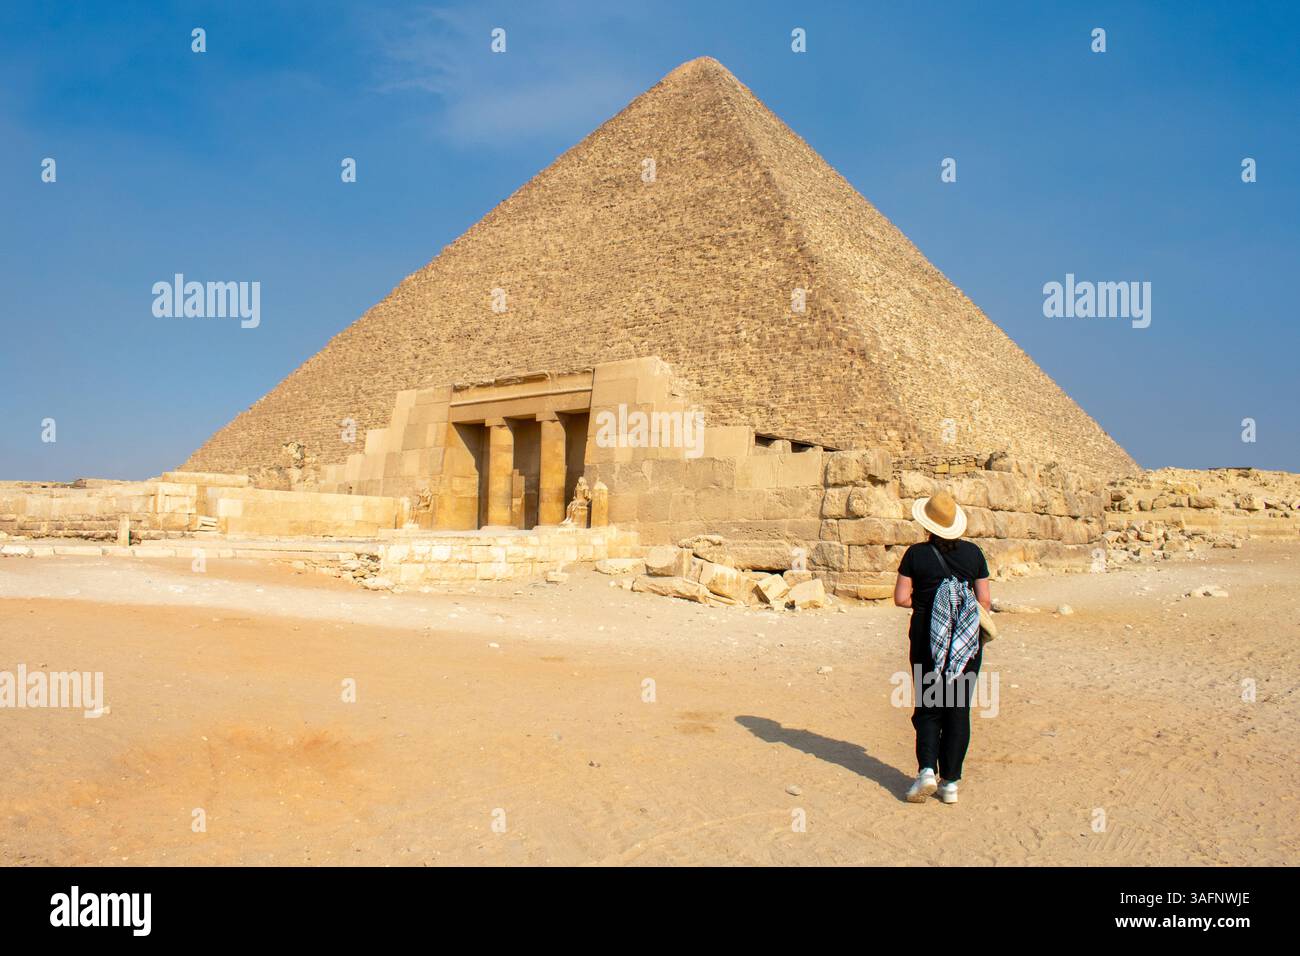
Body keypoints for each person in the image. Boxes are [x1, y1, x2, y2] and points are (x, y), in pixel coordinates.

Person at [893, 489, 991, 805]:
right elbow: (985, 601)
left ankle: (925, 771)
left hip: (926, 637)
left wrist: (931, 607)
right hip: (965, 640)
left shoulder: (915, 555)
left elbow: (900, 598)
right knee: (958, 708)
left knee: (928, 705)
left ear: (928, 524)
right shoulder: (974, 554)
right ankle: (950, 783)